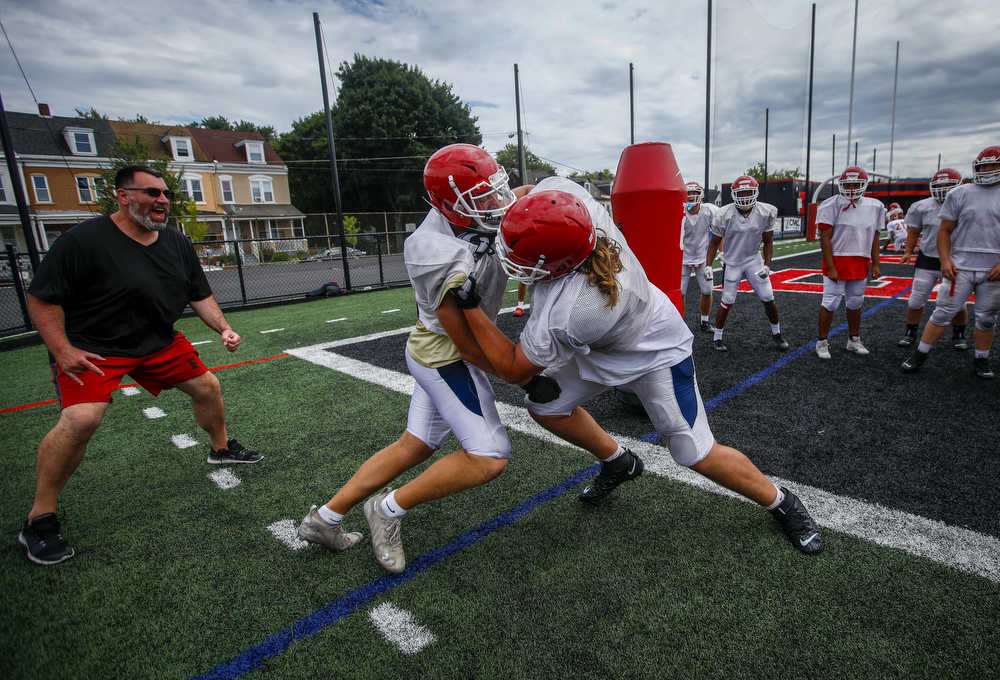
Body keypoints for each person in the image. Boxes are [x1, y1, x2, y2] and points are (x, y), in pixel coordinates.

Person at [454, 177, 824, 555]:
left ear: (558, 264)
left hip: (654, 354)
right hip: (604, 343)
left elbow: (516, 369)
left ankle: (782, 502)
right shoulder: (578, 205)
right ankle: (618, 462)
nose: (513, 260)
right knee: (546, 407)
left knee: (695, 453)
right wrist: (502, 213)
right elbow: (534, 192)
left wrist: (469, 308)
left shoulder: (572, 311)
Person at [295, 144, 551, 574]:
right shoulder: (432, 247)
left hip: (441, 347)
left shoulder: (478, 208)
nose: (498, 204)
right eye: (483, 198)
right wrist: (522, 380)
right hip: (446, 352)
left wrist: (549, 192)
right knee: (489, 455)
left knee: (415, 444)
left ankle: (324, 519)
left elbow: (520, 193)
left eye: (498, 190)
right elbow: (466, 343)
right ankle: (388, 510)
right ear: (450, 206)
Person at [19, 165, 261, 566]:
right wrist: (62, 351)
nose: (162, 200)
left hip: (156, 340)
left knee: (207, 387)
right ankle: (39, 517)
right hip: (93, 347)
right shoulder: (82, 240)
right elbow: (41, 298)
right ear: (124, 195)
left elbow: (199, 294)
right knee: (80, 420)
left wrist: (223, 328)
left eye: (166, 194)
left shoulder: (177, 243)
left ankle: (220, 449)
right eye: (151, 193)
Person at [902, 146, 1000, 379]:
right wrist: (945, 259)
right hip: (961, 264)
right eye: (983, 165)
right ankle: (920, 353)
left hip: (993, 268)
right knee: (943, 311)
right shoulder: (961, 193)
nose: (986, 170)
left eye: (992, 165)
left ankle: (981, 359)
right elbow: (945, 231)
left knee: (987, 317)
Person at [705, 175, 788, 352]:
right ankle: (717, 337)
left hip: (753, 260)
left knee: (768, 297)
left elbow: (768, 241)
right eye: (741, 192)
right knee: (727, 300)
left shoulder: (766, 211)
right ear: (734, 193)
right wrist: (708, 265)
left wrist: (767, 264)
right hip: (732, 261)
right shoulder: (724, 214)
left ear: (755, 192)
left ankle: (777, 333)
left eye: (748, 192)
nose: (744, 196)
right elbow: (714, 243)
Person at [813, 166, 885, 360]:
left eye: (856, 184)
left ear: (864, 185)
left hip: (860, 260)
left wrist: (876, 263)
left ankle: (853, 339)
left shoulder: (875, 206)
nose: (852, 188)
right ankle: (822, 342)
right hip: (837, 259)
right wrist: (832, 267)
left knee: (856, 301)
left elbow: (875, 238)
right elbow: (825, 239)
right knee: (830, 302)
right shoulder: (831, 204)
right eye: (847, 184)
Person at [897, 168, 970, 350]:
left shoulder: (966, 204)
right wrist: (908, 252)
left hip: (955, 260)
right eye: (940, 185)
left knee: (958, 303)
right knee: (916, 298)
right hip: (927, 259)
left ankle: (958, 334)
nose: (944, 189)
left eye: (948, 185)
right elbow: (914, 231)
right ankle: (910, 332)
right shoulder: (922, 206)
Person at [680, 181, 718, 333]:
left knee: (708, 290)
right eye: (688, 193)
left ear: (700, 195)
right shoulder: (679, 211)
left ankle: (705, 321)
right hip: (683, 258)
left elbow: (718, 233)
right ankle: (680, 323)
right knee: (681, 292)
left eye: (694, 192)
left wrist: (721, 253)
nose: (691, 196)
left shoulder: (709, 211)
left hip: (702, 257)